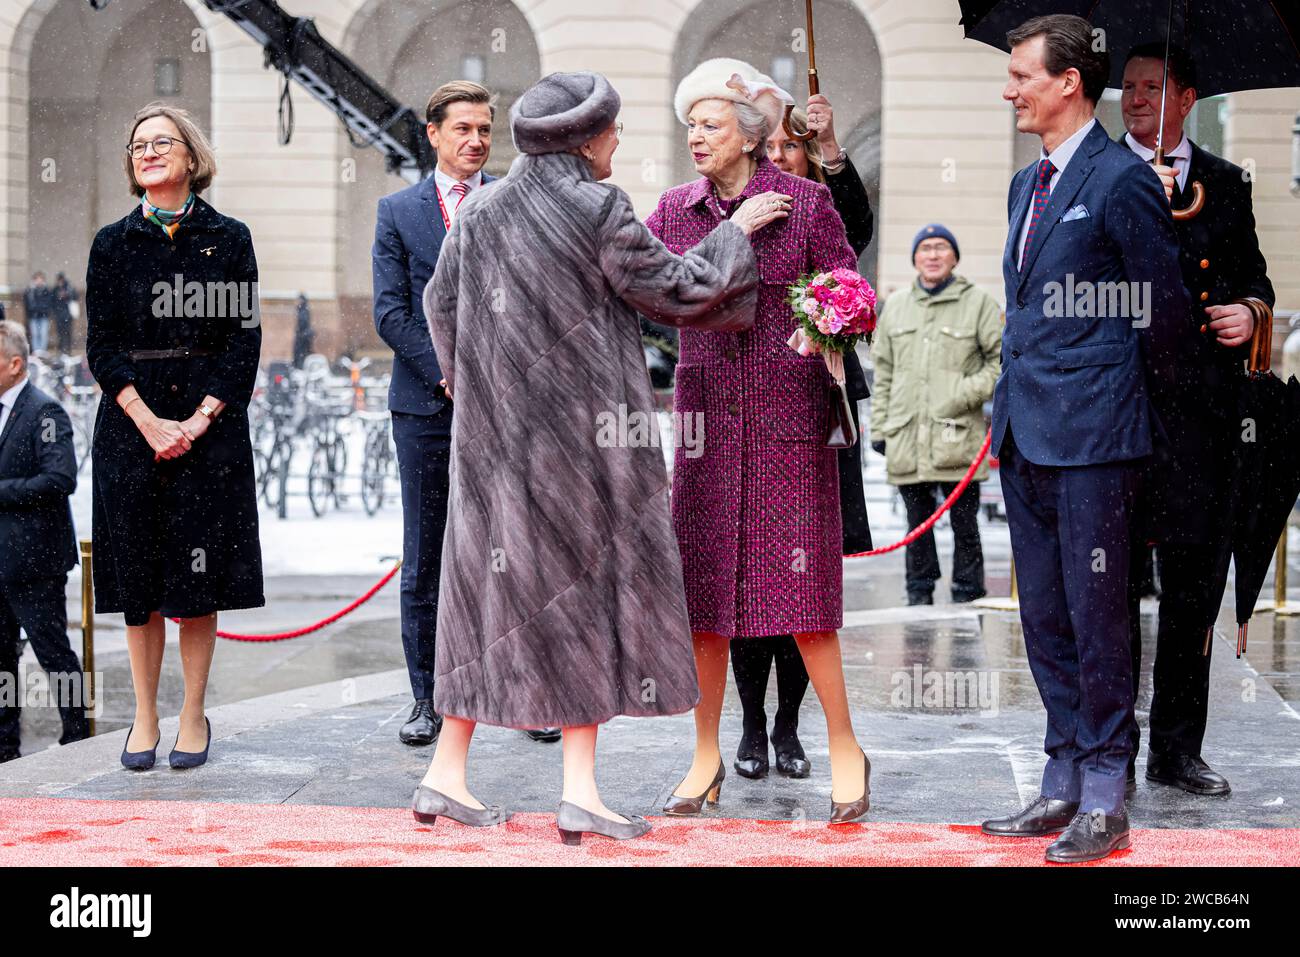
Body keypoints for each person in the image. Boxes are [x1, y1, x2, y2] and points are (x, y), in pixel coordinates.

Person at [418, 71, 776, 842]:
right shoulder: (597, 207)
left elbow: (438, 304)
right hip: (582, 448)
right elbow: (680, 291)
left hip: (493, 450)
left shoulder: (481, 208)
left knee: (487, 600)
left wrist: (472, 380)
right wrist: (735, 231)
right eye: (611, 129)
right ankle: (579, 790)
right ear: (585, 138)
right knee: (581, 600)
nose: (619, 140)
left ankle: (445, 773)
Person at [979, 15, 1187, 863]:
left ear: (1070, 82)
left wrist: (1126, 414)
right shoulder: (1025, 183)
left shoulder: (1120, 180)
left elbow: (1162, 318)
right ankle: (1062, 773)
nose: (1010, 87)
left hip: (1099, 443)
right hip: (1027, 438)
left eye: (1023, 74)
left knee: (1101, 617)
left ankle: (1106, 786)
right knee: (1045, 617)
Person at [650, 58, 871, 824]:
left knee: (806, 600)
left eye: (710, 125)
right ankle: (703, 753)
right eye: (690, 126)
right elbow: (657, 292)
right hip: (707, 419)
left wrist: (831, 319)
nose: (696, 138)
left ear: (748, 136)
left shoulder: (808, 203)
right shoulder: (675, 211)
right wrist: (732, 238)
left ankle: (844, 743)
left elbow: (853, 285)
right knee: (706, 599)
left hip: (790, 421)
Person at [373, 81, 561, 748]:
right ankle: (429, 697)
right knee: (426, 556)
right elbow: (391, 310)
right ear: (433, 133)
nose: (477, 140)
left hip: (509, 410)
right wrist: (448, 370)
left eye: (485, 129)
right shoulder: (399, 213)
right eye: (463, 129)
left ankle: (526, 692)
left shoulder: (515, 204)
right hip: (426, 408)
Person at [85, 102, 264, 771]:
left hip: (208, 433)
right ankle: (142, 712)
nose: (149, 151)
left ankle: (191, 710)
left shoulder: (229, 237)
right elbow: (101, 346)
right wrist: (146, 418)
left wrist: (196, 418)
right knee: (139, 580)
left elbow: (242, 339)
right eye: (138, 145)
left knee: (197, 579)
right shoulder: (111, 243)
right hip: (131, 427)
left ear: (192, 157)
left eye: (163, 142)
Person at [1119, 43, 1273, 798]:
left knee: (1192, 593)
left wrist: (1249, 311)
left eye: (1153, 88)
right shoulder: (1100, 174)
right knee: (1109, 590)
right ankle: (1109, 744)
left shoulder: (1228, 182)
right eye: (1129, 88)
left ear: (1187, 98)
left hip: (1206, 423)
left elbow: (1254, 276)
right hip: (1118, 413)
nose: (1138, 99)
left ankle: (1177, 749)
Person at [726, 96, 876, 781]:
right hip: (742, 418)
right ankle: (752, 725)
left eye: (791, 147)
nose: (779, 159)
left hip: (816, 410)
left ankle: (790, 726)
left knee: (802, 584)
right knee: (747, 583)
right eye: (770, 149)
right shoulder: (729, 208)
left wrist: (832, 148)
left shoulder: (817, 200)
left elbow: (854, 248)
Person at [869, 224, 1001, 606]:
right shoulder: (896, 306)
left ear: (954, 256)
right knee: (916, 522)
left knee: (965, 522)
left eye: (941, 247)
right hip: (907, 435)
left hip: (957, 435)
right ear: (915, 258)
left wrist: (962, 394)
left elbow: (998, 363)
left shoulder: (977, 302)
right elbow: (885, 373)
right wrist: (880, 429)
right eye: (925, 248)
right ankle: (919, 589)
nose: (932, 255)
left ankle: (968, 590)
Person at [0, 320, 87, 762]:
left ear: (15, 364)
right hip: (0, 561)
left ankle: (78, 735)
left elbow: (60, 478)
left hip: (35, 562)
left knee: (55, 656)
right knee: (1, 663)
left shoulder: (45, 412)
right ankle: (4, 747)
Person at [23, 273, 52, 355]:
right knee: (35, 334)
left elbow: (48, 302)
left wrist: (43, 309)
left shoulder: (46, 290)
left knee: (43, 334)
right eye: (37, 279)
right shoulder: (30, 290)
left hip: (44, 316)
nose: (39, 281)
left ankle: (42, 351)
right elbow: (27, 303)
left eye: (40, 279)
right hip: (33, 316)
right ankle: (36, 351)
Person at [52, 274, 79, 356]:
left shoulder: (69, 288)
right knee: (60, 333)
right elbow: (53, 300)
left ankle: (68, 350)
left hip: (68, 315)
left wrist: (67, 294)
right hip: (59, 315)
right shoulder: (55, 289)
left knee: (68, 333)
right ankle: (60, 350)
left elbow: (75, 296)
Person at [292, 293, 314, 369]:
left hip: (302, 336)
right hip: (303, 335)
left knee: (301, 353)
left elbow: (303, 322)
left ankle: (299, 367)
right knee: (302, 353)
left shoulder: (303, 310)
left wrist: (300, 332)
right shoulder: (303, 309)